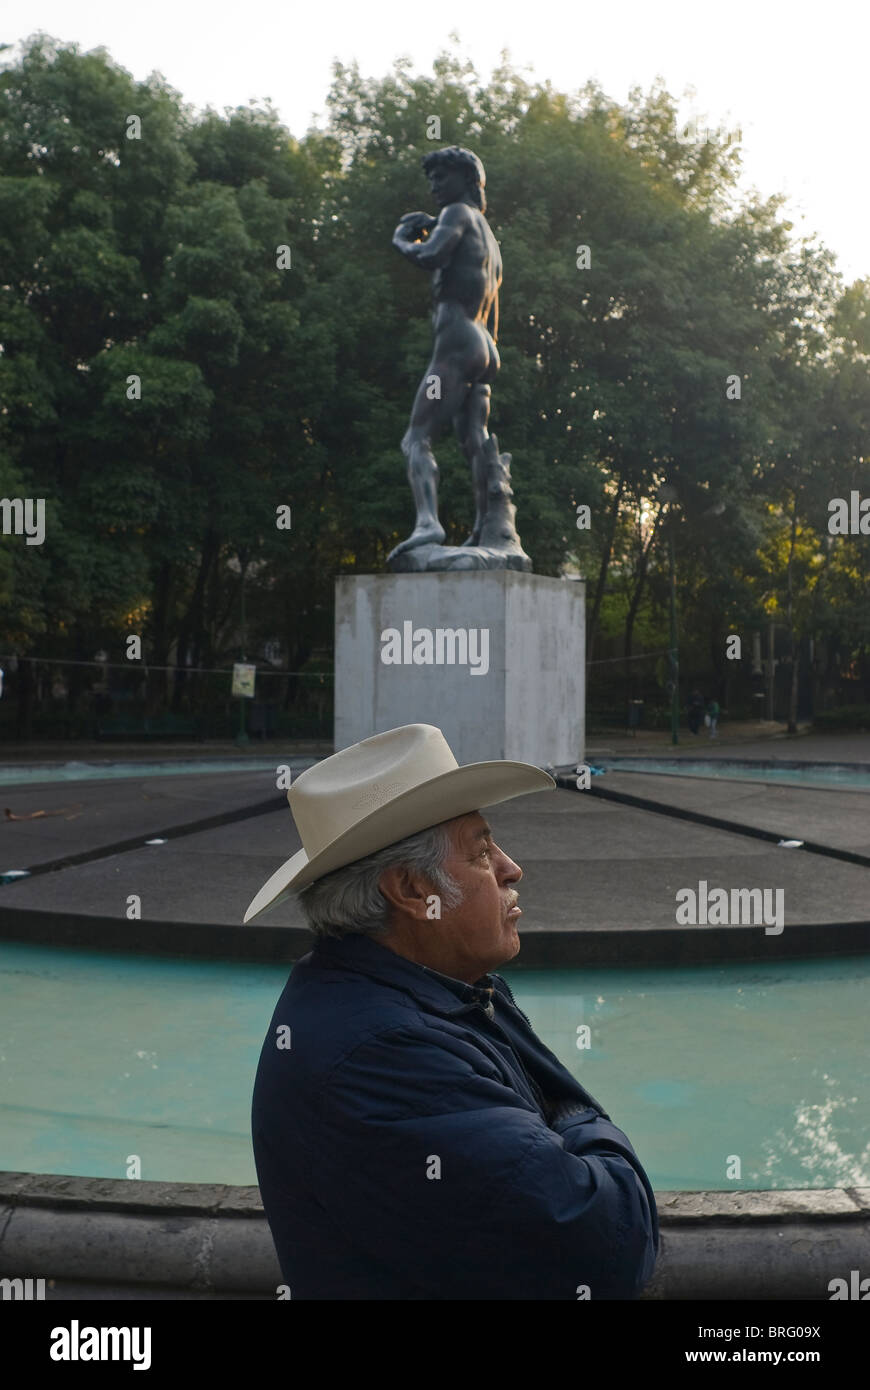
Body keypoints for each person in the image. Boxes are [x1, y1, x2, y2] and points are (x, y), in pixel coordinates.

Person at [246, 723, 659, 1300]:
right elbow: (610, 1241)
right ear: (414, 891)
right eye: (482, 850)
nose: (512, 869)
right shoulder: (384, 1054)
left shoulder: (410, 994)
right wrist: (577, 1116)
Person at [388, 147, 503, 560]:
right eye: (431, 177)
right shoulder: (490, 237)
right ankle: (484, 529)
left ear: (468, 180)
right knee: (474, 440)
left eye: (443, 176)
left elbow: (429, 254)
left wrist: (402, 239)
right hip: (484, 348)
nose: (435, 184)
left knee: (416, 437)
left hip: (455, 345)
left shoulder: (457, 213)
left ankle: (427, 522)